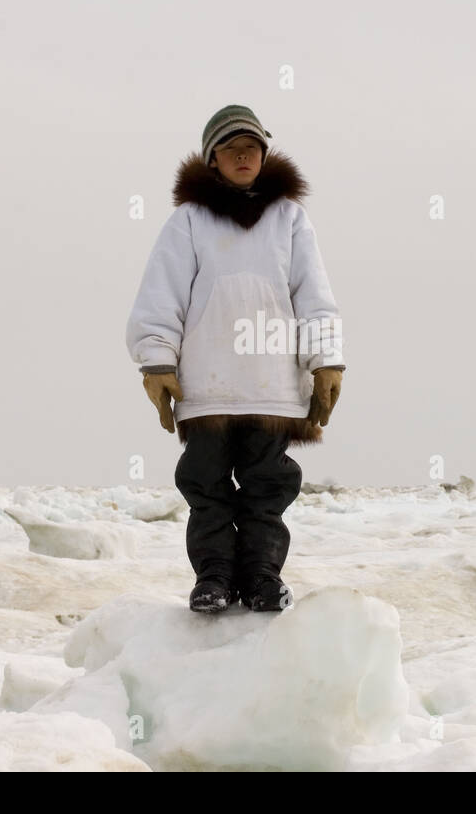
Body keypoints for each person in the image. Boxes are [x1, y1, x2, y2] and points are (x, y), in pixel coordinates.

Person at [125, 104, 345, 613]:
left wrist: (326, 360)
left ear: (265, 154)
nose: (243, 155)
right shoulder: (188, 221)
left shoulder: (290, 218)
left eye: (251, 146)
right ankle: (215, 578)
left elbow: (313, 294)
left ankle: (264, 578)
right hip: (206, 387)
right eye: (231, 148)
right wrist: (157, 363)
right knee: (206, 486)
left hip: (273, 384)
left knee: (268, 488)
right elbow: (162, 296)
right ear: (213, 159)